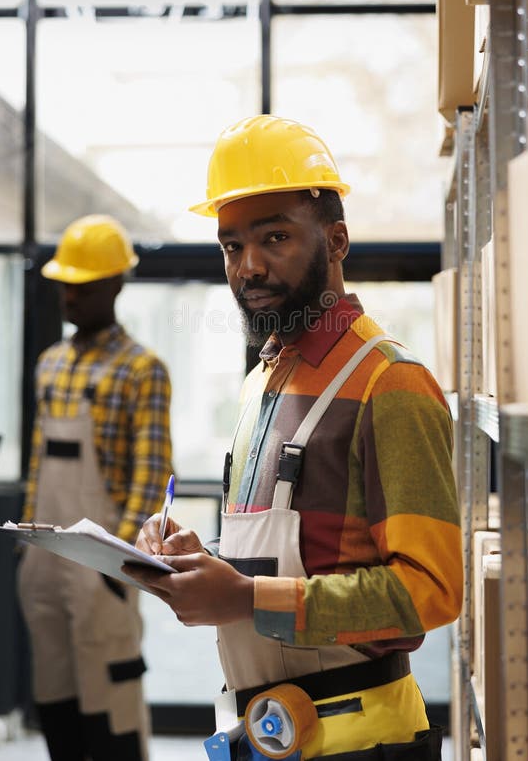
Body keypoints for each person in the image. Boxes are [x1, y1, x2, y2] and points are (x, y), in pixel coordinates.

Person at [127, 116, 463, 760]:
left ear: (336, 240)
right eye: (230, 247)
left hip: (359, 738)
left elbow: (431, 591)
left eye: (274, 237)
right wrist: (206, 561)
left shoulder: (391, 383)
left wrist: (247, 598)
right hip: (269, 731)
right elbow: (302, 547)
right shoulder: (262, 382)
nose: (248, 266)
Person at [18, 214, 173, 761]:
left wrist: (120, 563)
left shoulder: (141, 369)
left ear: (115, 285)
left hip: (101, 560)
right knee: (55, 690)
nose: (68, 296)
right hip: (45, 557)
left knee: (111, 693)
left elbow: (150, 474)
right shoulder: (49, 365)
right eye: (64, 284)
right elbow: (40, 460)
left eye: (81, 285)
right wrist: (25, 545)